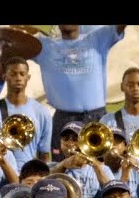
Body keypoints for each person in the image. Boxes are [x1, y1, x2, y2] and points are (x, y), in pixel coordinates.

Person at [33, 26, 127, 158]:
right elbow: (14, 43)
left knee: (99, 165)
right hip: (63, 120)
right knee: (63, 167)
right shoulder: (44, 46)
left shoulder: (97, 38)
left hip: (96, 118)